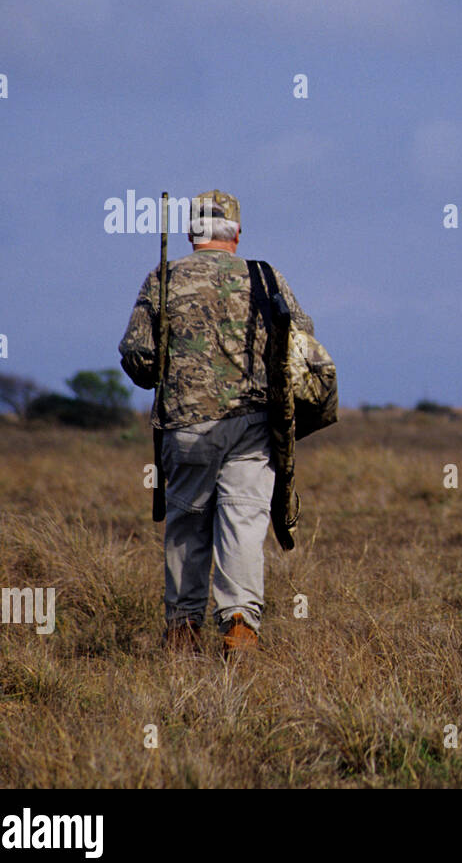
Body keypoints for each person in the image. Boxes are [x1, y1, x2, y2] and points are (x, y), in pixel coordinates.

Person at [118, 189, 315, 657]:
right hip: (252, 425)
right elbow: (303, 346)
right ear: (237, 232)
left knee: (187, 526)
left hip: (184, 427)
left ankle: (183, 631)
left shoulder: (163, 278)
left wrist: (162, 372)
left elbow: (137, 355)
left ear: (191, 233)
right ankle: (240, 625)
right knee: (244, 524)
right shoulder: (267, 277)